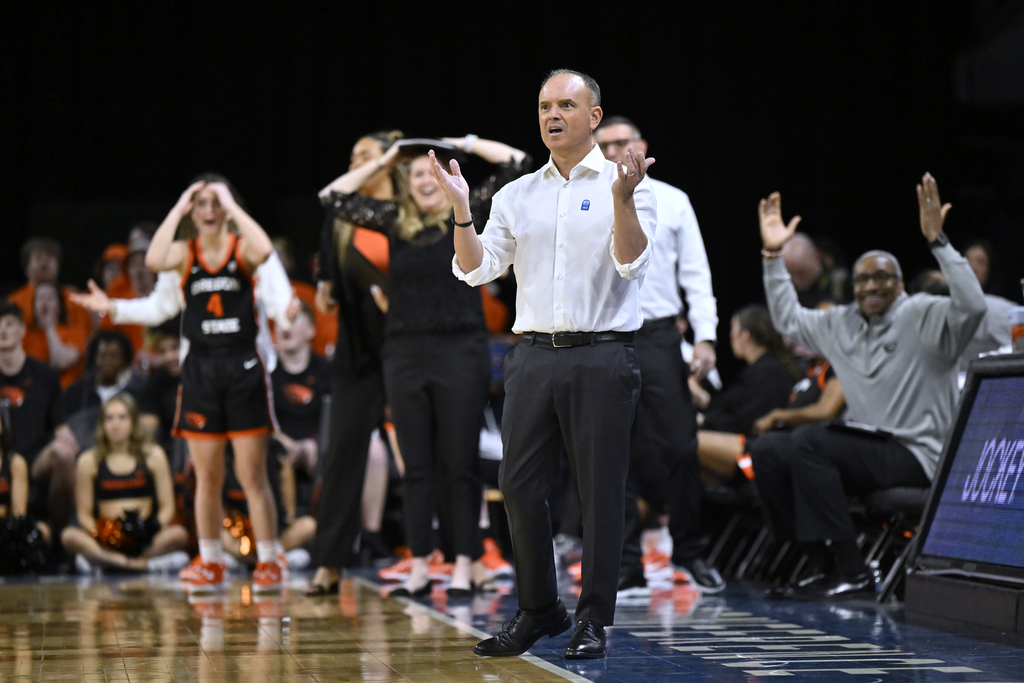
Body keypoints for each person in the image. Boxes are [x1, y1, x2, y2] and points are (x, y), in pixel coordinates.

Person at [435, 69, 656, 659]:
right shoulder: (515, 194)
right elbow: (477, 269)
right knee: (518, 484)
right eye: (543, 107)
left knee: (599, 490)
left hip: (603, 354)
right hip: (531, 355)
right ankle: (539, 608)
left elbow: (634, 264)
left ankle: (593, 619)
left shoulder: (627, 182)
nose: (552, 115)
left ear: (594, 117)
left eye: (565, 105)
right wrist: (462, 212)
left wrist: (622, 198)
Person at [751, 173, 986, 596]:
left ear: (899, 284)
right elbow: (788, 319)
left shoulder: (925, 314)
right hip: (862, 449)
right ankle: (819, 564)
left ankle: (854, 572)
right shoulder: (842, 324)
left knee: (810, 442)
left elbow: (973, 305)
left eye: (883, 277)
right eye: (863, 279)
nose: (872, 285)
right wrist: (773, 254)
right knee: (768, 451)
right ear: (852, 286)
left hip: (918, 453)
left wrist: (939, 243)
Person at [320, 132, 529, 599]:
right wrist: (388, 158)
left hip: (461, 352)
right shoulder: (394, 220)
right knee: (416, 467)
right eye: (415, 172)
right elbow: (332, 196)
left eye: (433, 170)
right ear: (404, 182)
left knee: (459, 463)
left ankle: (463, 561)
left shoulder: (466, 208)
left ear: (448, 176)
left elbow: (517, 158)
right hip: (405, 354)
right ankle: (418, 563)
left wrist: (467, 142)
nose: (425, 179)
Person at [593, 115, 722, 596]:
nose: (612, 150)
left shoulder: (673, 200)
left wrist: (705, 336)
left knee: (684, 448)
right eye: (603, 144)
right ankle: (625, 567)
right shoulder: (585, 198)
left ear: (641, 145)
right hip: (605, 335)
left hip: (660, 335)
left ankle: (688, 552)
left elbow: (697, 273)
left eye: (621, 141)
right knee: (613, 455)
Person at [144, 174, 286, 594]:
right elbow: (152, 259)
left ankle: (269, 560)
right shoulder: (184, 252)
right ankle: (210, 562)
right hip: (201, 368)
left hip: (241, 366)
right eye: (201, 204)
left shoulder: (242, 248)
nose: (208, 211)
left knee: (251, 473)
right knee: (206, 475)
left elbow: (264, 249)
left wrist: (232, 203)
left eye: (215, 203)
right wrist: (180, 204)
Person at [306, 130, 397, 597]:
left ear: (389, 161)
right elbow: (328, 280)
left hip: (405, 344)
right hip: (357, 348)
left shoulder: (410, 211)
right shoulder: (341, 217)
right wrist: (325, 290)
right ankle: (330, 563)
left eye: (365, 154)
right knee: (341, 453)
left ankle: (443, 553)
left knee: (427, 450)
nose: (355, 160)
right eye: (352, 154)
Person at [60, 394, 189, 572]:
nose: (115, 424)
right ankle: (131, 564)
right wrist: (105, 534)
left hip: (145, 537)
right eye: (109, 418)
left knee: (178, 535)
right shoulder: (89, 461)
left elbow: (168, 507)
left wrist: (151, 529)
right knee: (69, 536)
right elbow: (84, 514)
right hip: (106, 538)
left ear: (133, 422)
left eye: (122, 417)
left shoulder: (153, 455)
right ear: (102, 424)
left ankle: (108, 563)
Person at [0, 302, 76, 539]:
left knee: (63, 455)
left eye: (9, 324)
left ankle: (61, 541)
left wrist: (66, 442)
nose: (2, 330)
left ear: (23, 330)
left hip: (35, 459)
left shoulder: (45, 374)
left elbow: (60, 427)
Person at [693, 305, 799, 436]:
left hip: (753, 446)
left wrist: (705, 421)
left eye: (733, 329)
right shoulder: (759, 369)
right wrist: (703, 398)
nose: (730, 335)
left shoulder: (769, 372)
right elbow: (732, 409)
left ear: (745, 335)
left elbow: (746, 421)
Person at [8, 239, 93, 387]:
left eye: (50, 258)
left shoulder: (74, 299)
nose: (44, 263)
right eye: (39, 258)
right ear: (27, 268)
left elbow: (82, 343)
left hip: (68, 383)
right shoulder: (13, 302)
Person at [62, 330, 144, 418]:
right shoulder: (76, 392)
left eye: (113, 355)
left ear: (125, 361)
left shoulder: (136, 393)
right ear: (94, 359)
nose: (107, 361)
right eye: (102, 355)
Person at [782, 233, 850, 307]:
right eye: (790, 274)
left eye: (801, 273)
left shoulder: (841, 283)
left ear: (817, 257)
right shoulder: (784, 287)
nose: (797, 281)